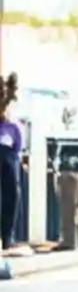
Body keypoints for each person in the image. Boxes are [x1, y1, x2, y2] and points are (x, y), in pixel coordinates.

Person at [0, 73, 24, 252]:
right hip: (8, 152)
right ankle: (7, 237)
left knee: (12, 195)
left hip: (8, 152)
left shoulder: (12, 123)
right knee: (11, 195)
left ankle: (7, 237)